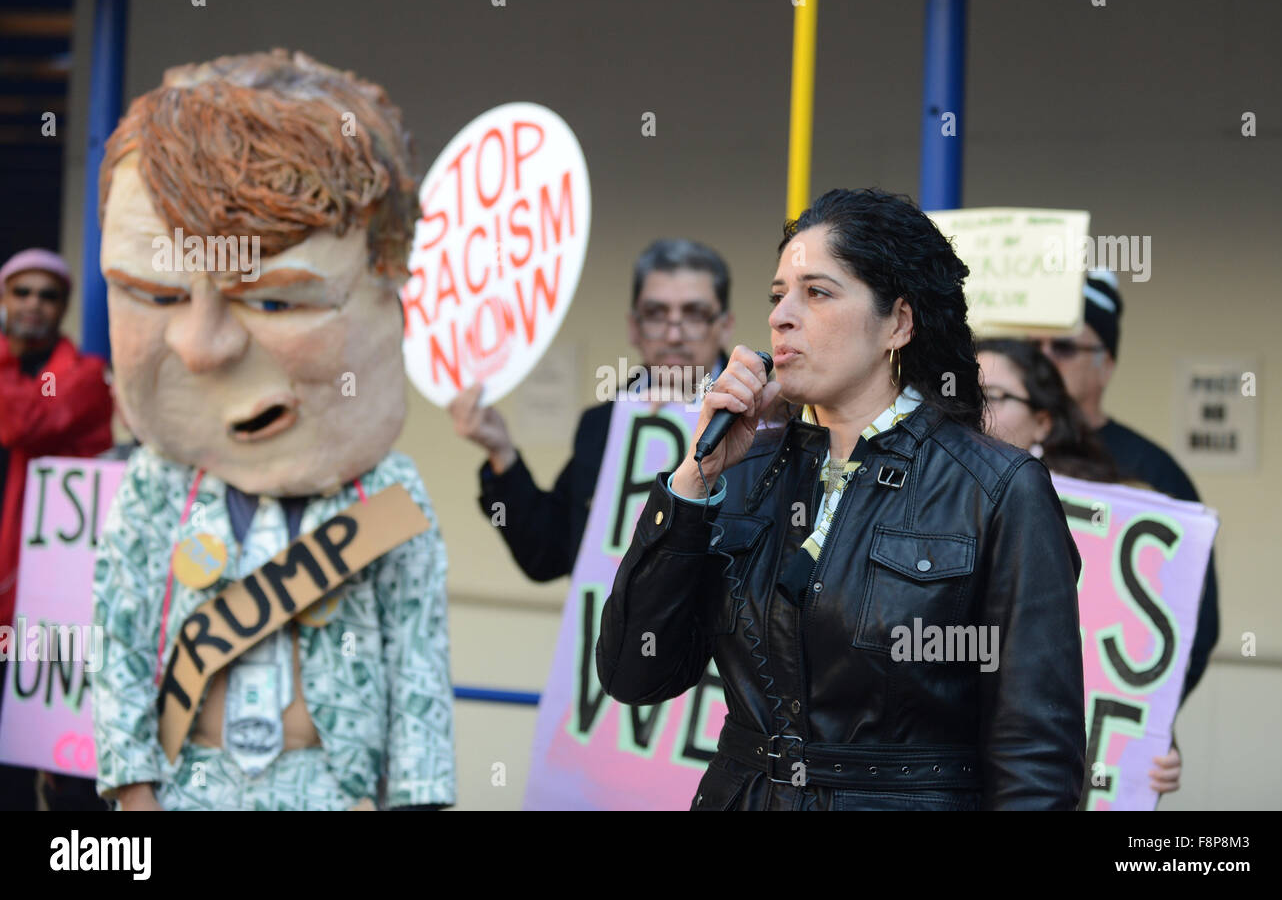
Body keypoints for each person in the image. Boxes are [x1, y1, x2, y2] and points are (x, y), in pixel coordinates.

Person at [597, 188, 1086, 810]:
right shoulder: (744, 469)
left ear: (898, 323)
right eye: (777, 295)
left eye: (817, 293)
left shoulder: (995, 488)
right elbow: (634, 674)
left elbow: (1037, 753)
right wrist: (695, 481)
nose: (781, 317)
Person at [91, 50, 455, 811]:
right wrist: (133, 796)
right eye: (155, 294)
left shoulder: (387, 493)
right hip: (189, 788)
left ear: (393, 294)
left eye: (278, 302)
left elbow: (418, 662)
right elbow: (116, 641)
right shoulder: (156, 488)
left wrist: (415, 799)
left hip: (333, 791)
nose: (203, 346)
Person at [1034, 269, 1220, 795]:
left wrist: (1142, 722)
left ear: (1106, 364)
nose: (1045, 360)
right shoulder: (997, 456)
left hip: (1103, 741)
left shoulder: (1156, 472)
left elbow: (1194, 623)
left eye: (1065, 348)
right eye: (1035, 346)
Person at [450, 238, 733, 581]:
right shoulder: (601, 424)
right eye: (656, 314)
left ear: (724, 325)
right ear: (634, 327)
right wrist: (502, 454)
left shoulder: (763, 421)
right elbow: (546, 556)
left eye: (694, 314)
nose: (674, 334)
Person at [0, 248, 114, 811]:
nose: (33, 305)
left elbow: (24, 420)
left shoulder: (81, 377)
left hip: (43, 607)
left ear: (64, 306)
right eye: (21, 292)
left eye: (48, 295)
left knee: (43, 756)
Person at [976, 337, 1117, 482]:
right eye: (964, 396)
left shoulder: (1073, 499)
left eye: (992, 397)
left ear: (1042, 423)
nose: (970, 409)